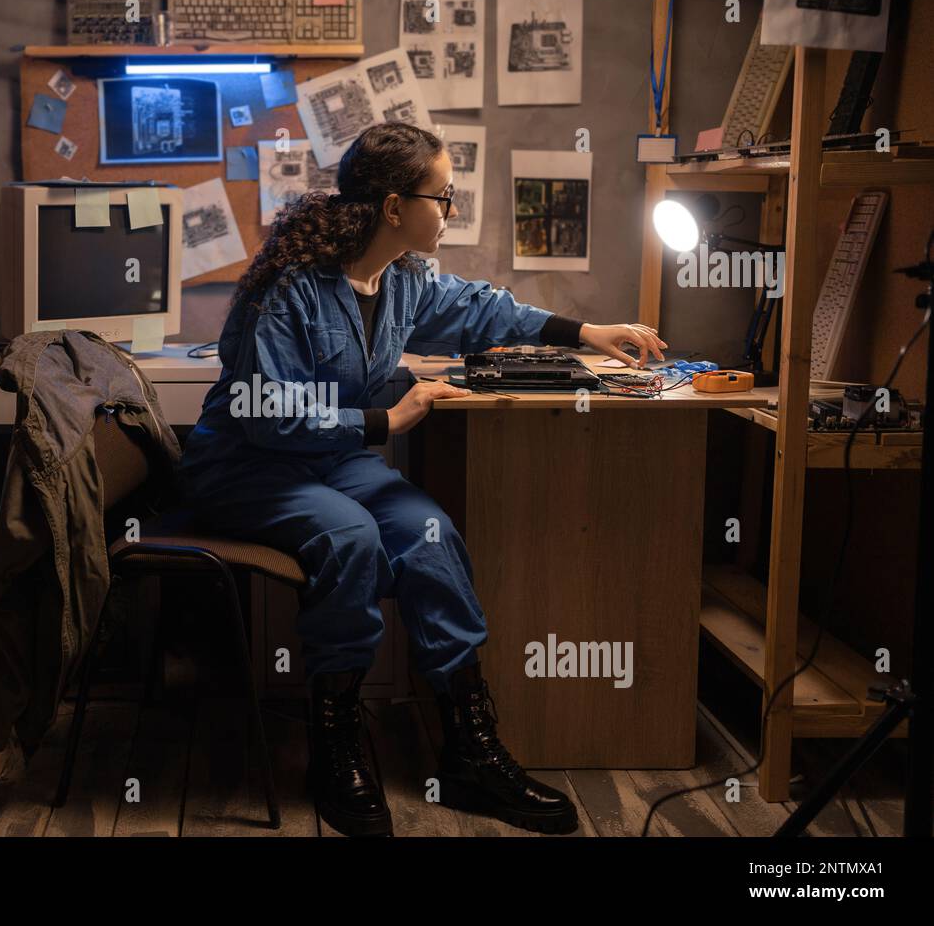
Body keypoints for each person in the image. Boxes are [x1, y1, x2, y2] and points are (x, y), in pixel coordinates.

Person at [177, 123, 668, 836]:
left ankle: (471, 751)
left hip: (328, 463)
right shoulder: (288, 289)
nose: (451, 210)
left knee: (430, 535)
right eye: (443, 196)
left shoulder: (402, 278)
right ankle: (336, 749)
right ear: (393, 206)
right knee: (350, 538)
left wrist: (586, 332)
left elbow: (482, 310)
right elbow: (266, 413)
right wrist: (387, 423)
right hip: (245, 467)